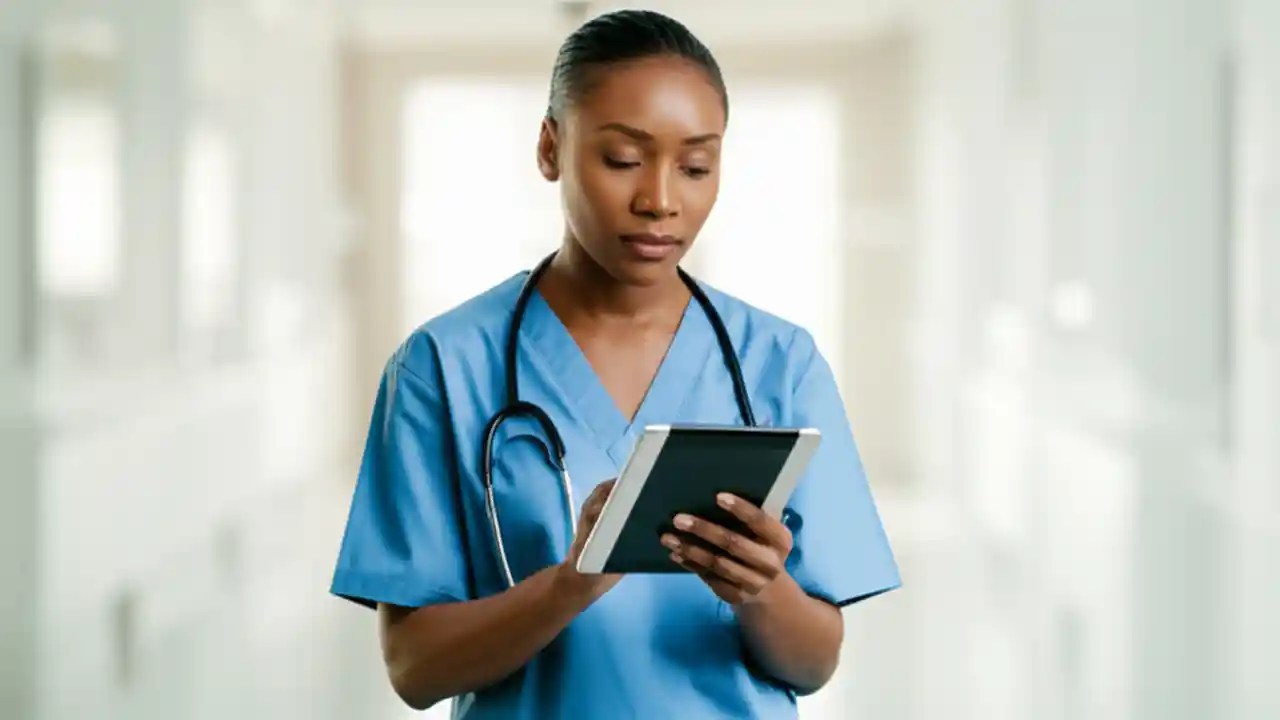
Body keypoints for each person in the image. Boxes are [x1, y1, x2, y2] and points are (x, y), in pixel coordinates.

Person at [329, 9, 900, 719]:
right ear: (550, 149)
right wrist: (570, 583)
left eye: (696, 166)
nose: (660, 200)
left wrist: (762, 588)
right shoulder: (443, 366)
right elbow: (413, 668)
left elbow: (814, 663)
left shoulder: (778, 363)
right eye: (623, 160)